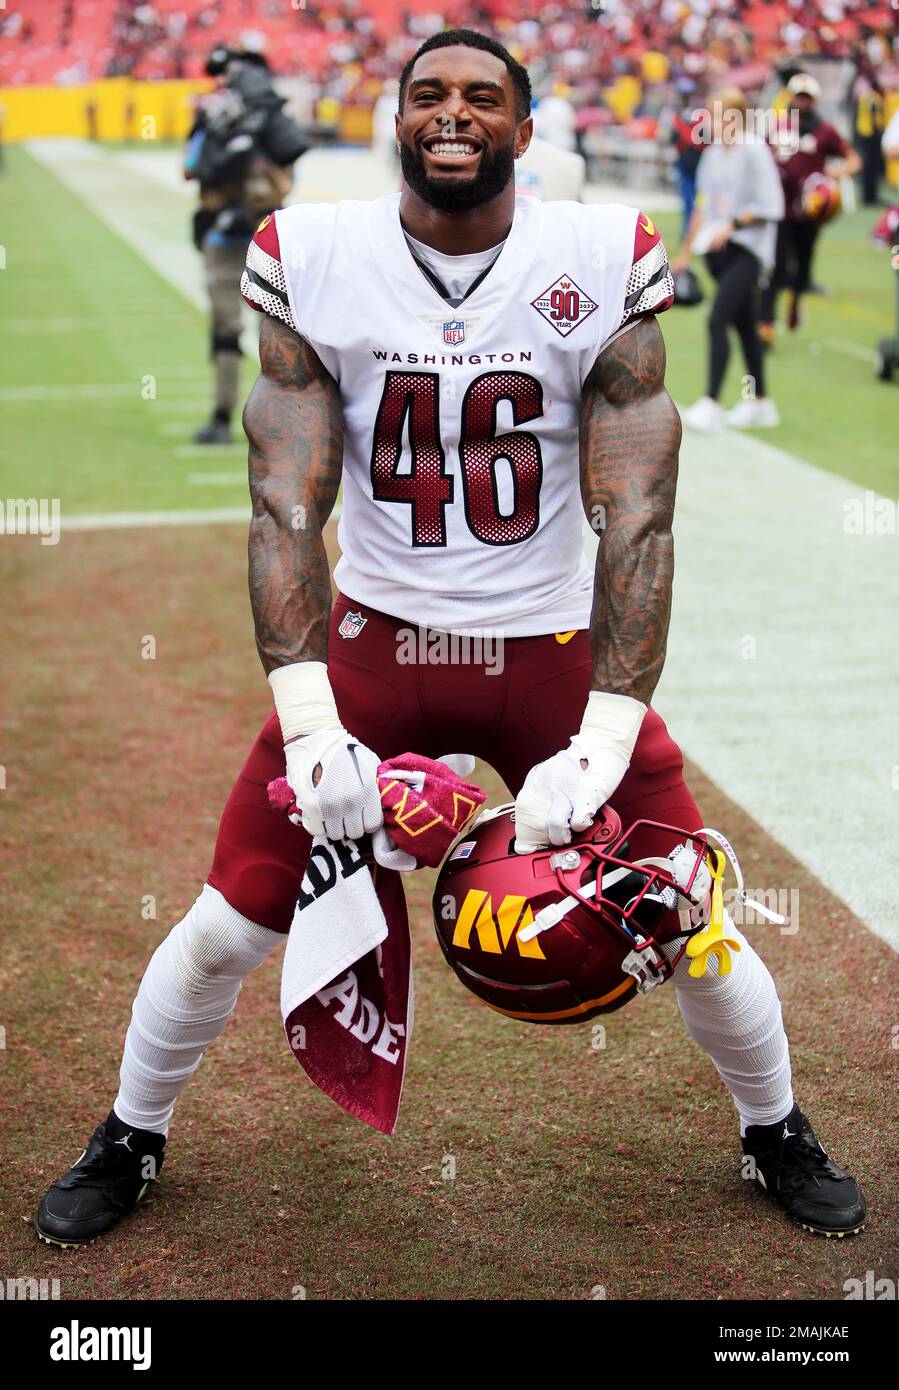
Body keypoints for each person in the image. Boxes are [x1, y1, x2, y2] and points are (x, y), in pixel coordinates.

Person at [36, 31, 865, 1250]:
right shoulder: (312, 253)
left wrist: (602, 735)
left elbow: (636, 514)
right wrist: (314, 726)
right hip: (378, 644)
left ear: (526, 129)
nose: (452, 114)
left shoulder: (597, 254)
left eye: (482, 97)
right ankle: (131, 1130)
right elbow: (284, 504)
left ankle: (772, 1125)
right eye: (426, 94)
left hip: (548, 645)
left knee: (687, 914)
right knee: (232, 917)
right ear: (394, 118)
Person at [185, 45, 307, 446]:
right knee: (240, 330)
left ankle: (238, 417)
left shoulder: (263, 120)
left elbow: (193, 168)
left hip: (257, 234)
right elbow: (196, 168)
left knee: (265, 332)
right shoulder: (238, 117)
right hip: (250, 235)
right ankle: (233, 414)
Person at [674, 88, 785, 431]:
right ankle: (760, 401)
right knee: (745, 328)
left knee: (717, 320)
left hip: (747, 249)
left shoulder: (753, 150)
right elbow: (702, 207)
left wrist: (732, 225)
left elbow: (772, 206)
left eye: (722, 114)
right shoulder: (712, 155)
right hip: (717, 251)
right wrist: (685, 253)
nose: (715, 121)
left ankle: (712, 401)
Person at [759, 73, 860, 342]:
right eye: (798, 96)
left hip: (810, 209)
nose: (801, 102)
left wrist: (832, 174)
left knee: (803, 265)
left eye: (806, 97)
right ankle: (766, 323)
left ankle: (795, 301)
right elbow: (762, 156)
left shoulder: (825, 131)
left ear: (813, 100)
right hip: (779, 206)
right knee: (776, 265)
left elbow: (853, 160)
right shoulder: (778, 125)